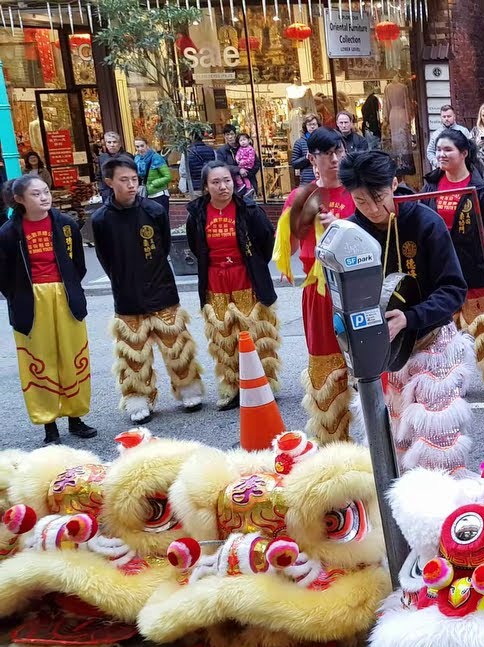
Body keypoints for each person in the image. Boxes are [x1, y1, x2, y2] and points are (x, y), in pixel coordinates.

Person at [340, 150, 472, 473]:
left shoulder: (426, 223)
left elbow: (454, 290)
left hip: (430, 340)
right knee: (396, 442)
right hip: (385, 351)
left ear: (395, 185)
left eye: (379, 198)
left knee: (436, 444)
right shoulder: (351, 233)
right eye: (360, 202)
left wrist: (410, 318)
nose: (372, 210)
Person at [92, 158, 205, 423]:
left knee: (176, 344)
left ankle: (188, 388)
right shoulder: (100, 219)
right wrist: (122, 279)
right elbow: (105, 259)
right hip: (127, 293)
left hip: (161, 286)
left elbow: (163, 246)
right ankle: (138, 398)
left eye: (134, 179)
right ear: (109, 182)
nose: (131, 185)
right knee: (133, 352)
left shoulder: (154, 210)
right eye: (124, 180)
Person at [272, 128, 356, 443]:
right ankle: (335, 445)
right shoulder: (301, 197)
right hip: (319, 293)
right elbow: (291, 249)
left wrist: (344, 227)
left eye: (339, 152)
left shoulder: (357, 191)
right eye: (326, 154)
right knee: (325, 368)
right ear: (311, 159)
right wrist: (300, 220)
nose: (334, 160)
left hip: (356, 288)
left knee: (370, 366)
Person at [0, 175, 96, 445]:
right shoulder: (8, 232)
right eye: (35, 194)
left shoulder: (65, 225)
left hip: (65, 297)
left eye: (45, 192)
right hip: (30, 302)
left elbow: (78, 264)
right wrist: (20, 296)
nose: (44, 198)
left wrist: (68, 288)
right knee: (38, 361)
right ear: (19, 200)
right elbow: (4, 276)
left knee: (72, 355)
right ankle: (48, 422)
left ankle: (75, 417)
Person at [186, 161, 281, 411]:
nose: (223, 186)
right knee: (224, 337)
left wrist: (254, 264)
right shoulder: (198, 213)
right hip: (215, 279)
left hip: (245, 276)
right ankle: (231, 387)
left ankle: (263, 383)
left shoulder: (248, 209)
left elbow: (266, 240)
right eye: (215, 182)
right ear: (206, 186)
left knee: (253, 333)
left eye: (227, 180)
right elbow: (197, 247)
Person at [419, 128, 484, 384]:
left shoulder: (483, 191)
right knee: (443, 333)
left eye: (448, 150)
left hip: (475, 271)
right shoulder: (430, 185)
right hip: (440, 271)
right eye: (439, 150)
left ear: (464, 153)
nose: (441, 155)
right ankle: (449, 381)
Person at [133, 137, 172, 216]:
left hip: (159, 194)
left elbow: (168, 176)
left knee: (161, 221)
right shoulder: (137, 159)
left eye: (142, 146)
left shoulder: (156, 157)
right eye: (137, 146)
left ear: (147, 145)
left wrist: (153, 184)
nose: (140, 149)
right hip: (145, 194)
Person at [97, 131, 132, 202]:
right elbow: (99, 175)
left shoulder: (127, 156)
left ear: (119, 143)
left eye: (114, 142)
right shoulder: (102, 157)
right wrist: (102, 190)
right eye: (109, 142)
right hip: (107, 194)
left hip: (124, 191)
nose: (112, 145)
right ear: (105, 144)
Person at [291, 115, 321, 186]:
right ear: (305, 126)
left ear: (318, 125)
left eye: (314, 124)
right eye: (309, 124)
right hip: (307, 181)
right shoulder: (300, 143)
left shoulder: (323, 140)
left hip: (322, 179)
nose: (312, 127)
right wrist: (306, 158)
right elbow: (294, 164)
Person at [234, 133, 257, 197]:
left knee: (245, 176)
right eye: (241, 141)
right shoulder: (240, 149)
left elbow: (251, 159)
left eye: (244, 140)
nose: (243, 142)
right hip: (241, 165)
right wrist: (237, 159)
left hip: (248, 165)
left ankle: (248, 187)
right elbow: (237, 155)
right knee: (237, 174)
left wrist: (242, 162)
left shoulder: (250, 149)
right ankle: (241, 184)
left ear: (249, 140)